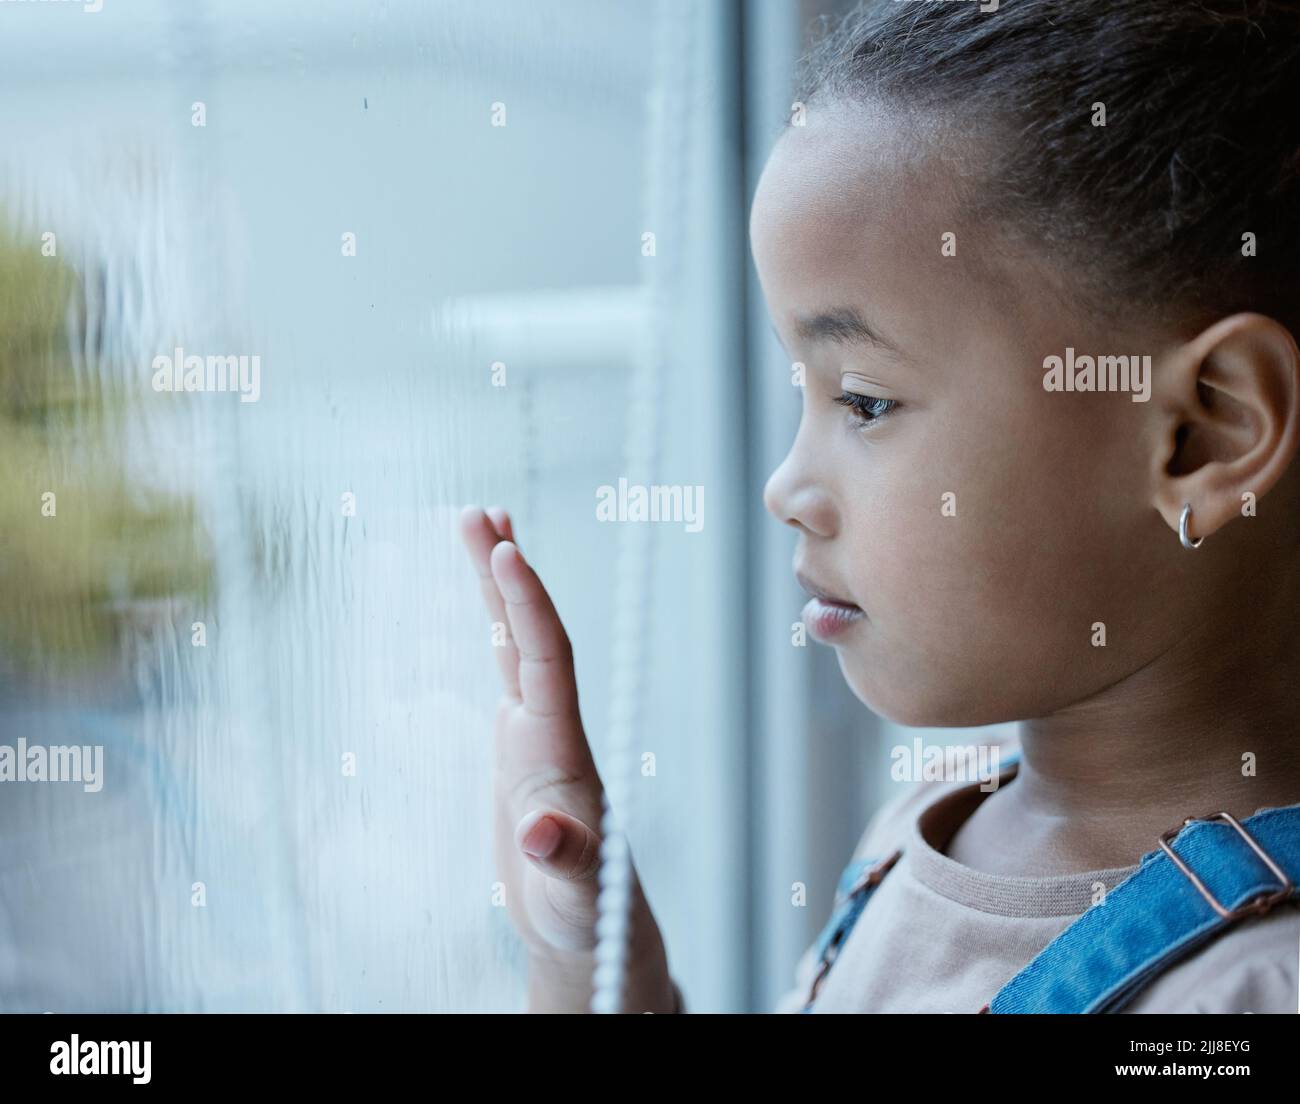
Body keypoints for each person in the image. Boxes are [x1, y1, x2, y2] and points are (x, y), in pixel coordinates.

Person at [458, 0, 1300, 1012]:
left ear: (1204, 432)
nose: (785, 488)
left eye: (864, 400)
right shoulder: (927, 828)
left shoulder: (1245, 994)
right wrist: (597, 969)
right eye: (800, 397)